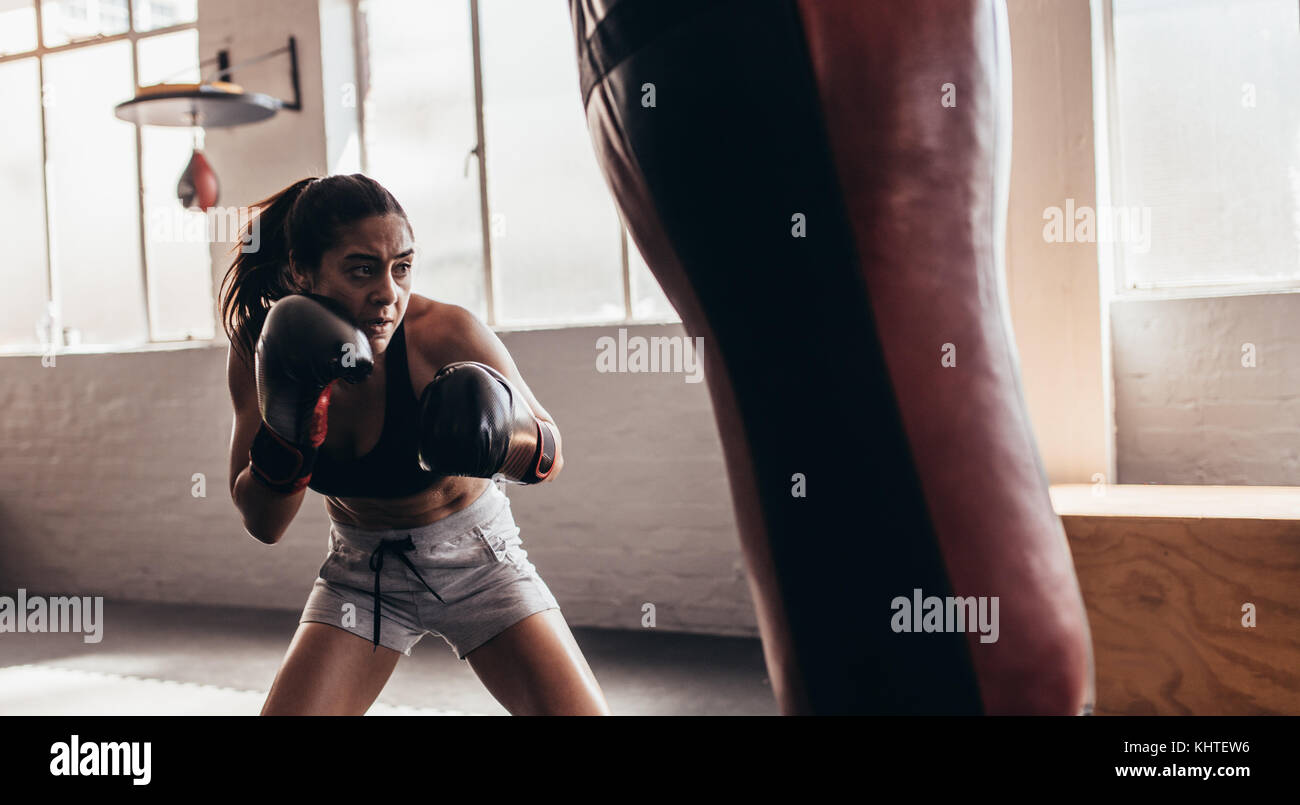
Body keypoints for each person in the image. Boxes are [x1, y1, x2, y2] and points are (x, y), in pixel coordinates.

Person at [221, 173, 610, 715]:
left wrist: (503, 433)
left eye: (401, 267)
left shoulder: (443, 333)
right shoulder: (264, 352)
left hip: (480, 562)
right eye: (362, 269)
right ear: (300, 270)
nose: (388, 293)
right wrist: (292, 426)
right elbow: (264, 523)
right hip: (362, 573)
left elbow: (550, 454)